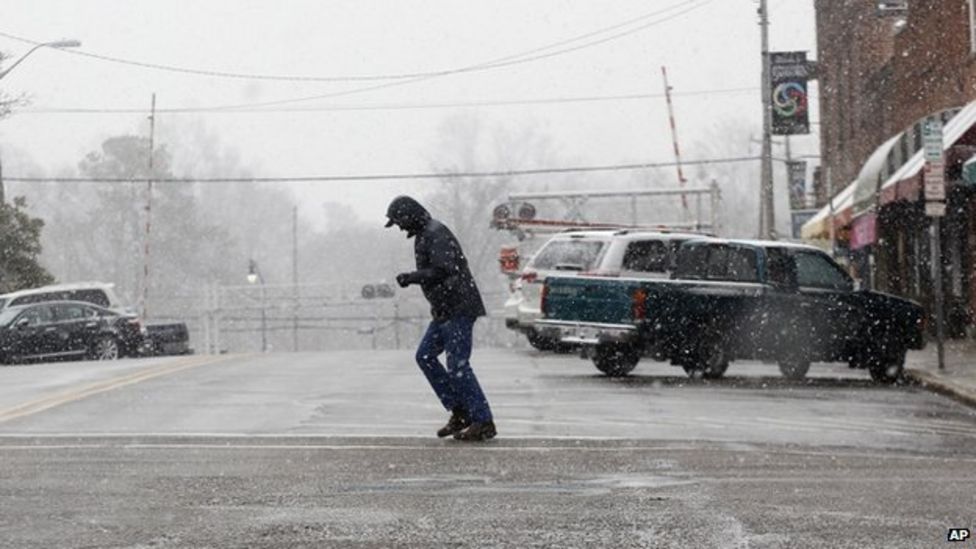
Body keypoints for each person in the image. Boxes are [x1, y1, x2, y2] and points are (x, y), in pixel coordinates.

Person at [384, 195, 496, 442]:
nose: (400, 227)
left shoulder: (436, 233)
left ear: (409, 215)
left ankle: (483, 420)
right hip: (444, 310)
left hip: (459, 308)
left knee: (458, 365)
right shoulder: (424, 234)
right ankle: (461, 411)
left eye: (399, 221)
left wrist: (412, 277)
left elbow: (444, 270)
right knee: (425, 356)